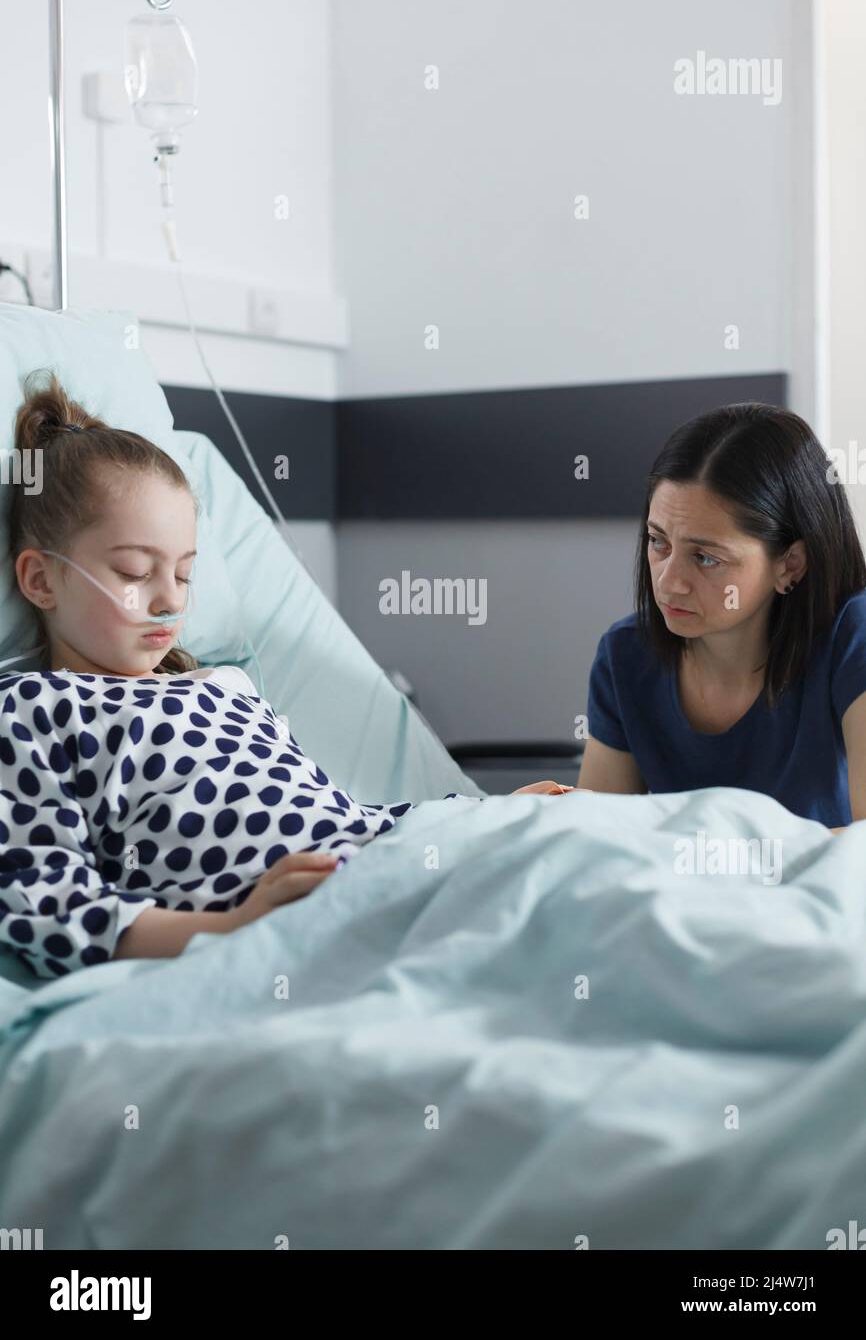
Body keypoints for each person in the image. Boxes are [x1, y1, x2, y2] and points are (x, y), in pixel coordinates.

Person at [0, 372, 568, 980]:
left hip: (387, 869)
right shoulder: (34, 709)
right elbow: (43, 902)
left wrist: (476, 817)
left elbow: (344, 814)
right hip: (297, 927)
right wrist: (235, 926)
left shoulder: (227, 689)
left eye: (186, 574)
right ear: (39, 580)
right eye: (136, 572)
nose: (170, 601)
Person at [578, 403, 866, 831]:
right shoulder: (625, 655)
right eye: (658, 542)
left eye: (706, 558)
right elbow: (594, 844)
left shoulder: (853, 637)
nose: (670, 582)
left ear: (790, 564)